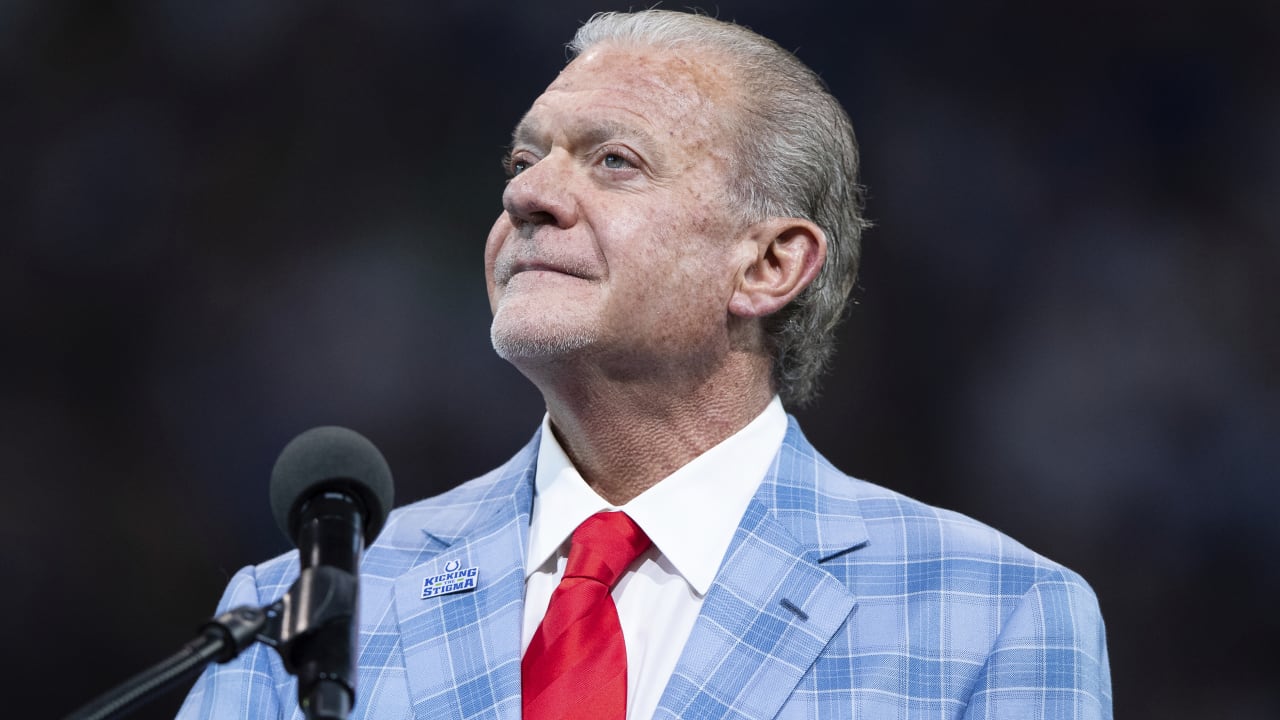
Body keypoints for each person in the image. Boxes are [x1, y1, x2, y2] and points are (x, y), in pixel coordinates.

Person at [179, 9, 1111, 719]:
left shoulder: (993, 615)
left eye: (615, 162)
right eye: (524, 158)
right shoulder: (302, 609)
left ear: (769, 264)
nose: (531, 194)